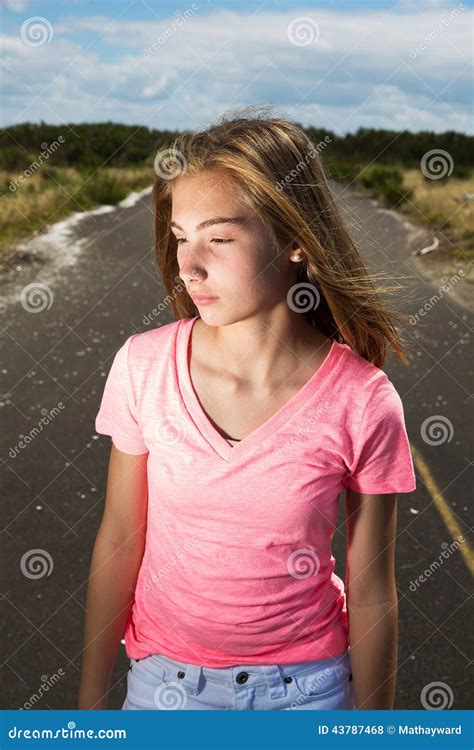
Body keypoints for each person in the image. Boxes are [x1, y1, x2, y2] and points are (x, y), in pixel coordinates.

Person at [78, 105, 416, 711]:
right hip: (165, 690)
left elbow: (372, 593)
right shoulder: (143, 366)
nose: (188, 267)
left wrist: (375, 729)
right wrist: (86, 705)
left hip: (309, 692)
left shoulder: (363, 400)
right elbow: (120, 539)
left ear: (294, 241)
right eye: (181, 238)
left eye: (220, 238)